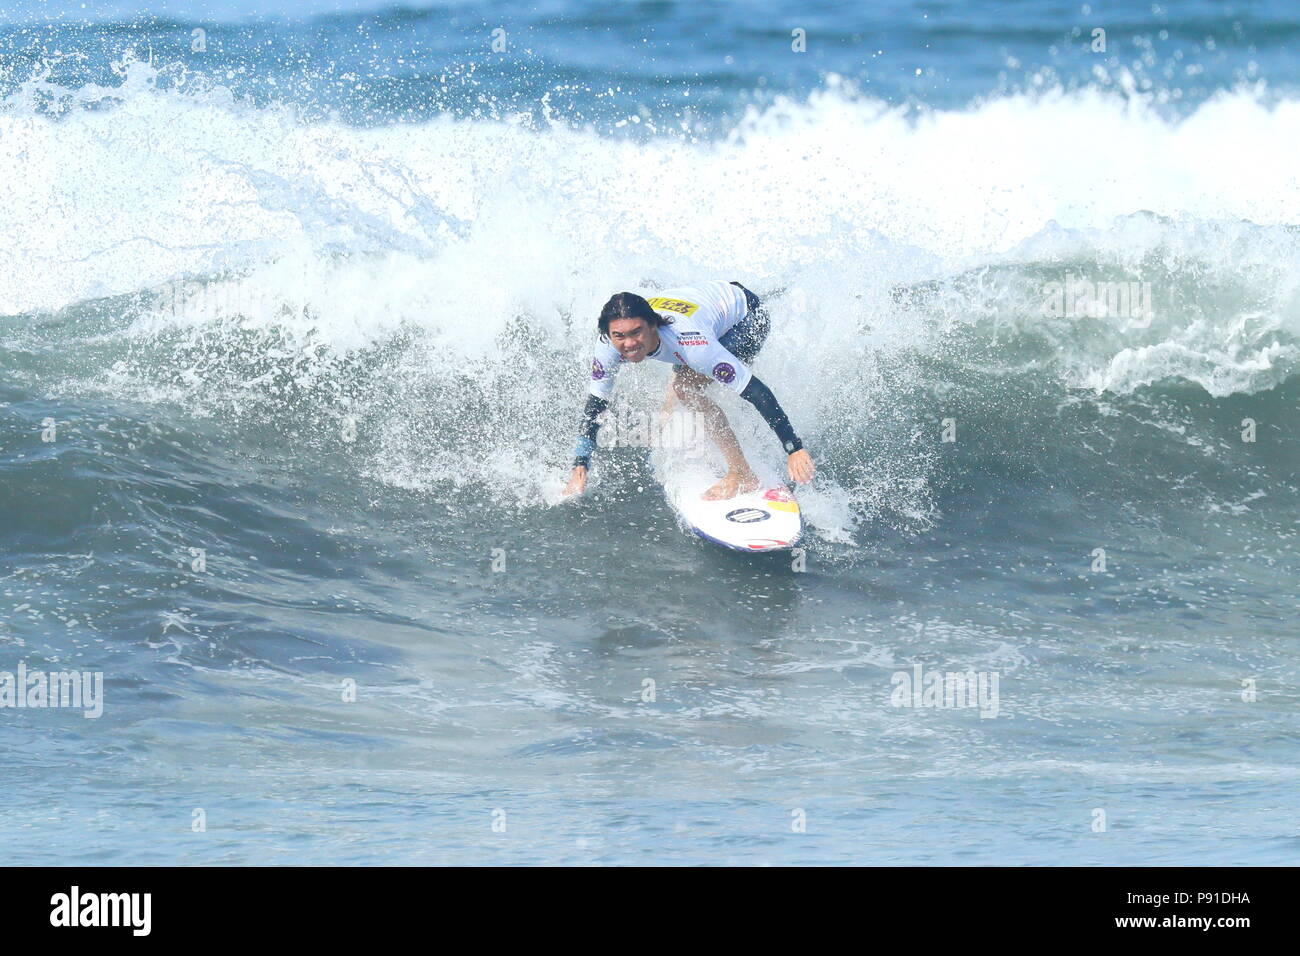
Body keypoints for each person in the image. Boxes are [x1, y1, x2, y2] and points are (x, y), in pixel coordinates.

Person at [562, 280, 815, 500]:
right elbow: (596, 404)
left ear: (652, 325)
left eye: (636, 332)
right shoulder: (608, 345)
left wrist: (793, 448)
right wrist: (580, 463)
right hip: (709, 304)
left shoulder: (693, 345)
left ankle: (742, 474)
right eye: (619, 336)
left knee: (686, 388)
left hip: (747, 317)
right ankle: (668, 414)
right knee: (682, 377)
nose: (629, 344)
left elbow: (756, 391)